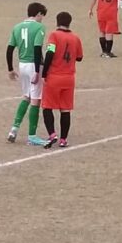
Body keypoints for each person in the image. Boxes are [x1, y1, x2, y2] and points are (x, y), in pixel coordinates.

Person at [40, 11, 83, 149]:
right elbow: (79, 57)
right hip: (69, 78)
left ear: (57, 22)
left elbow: (50, 53)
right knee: (65, 109)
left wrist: (44, 73)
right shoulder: (75, 38)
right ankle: (63, 139)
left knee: (47, 107)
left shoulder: (54, 36)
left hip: (54, 77)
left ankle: (52, 134)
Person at [7, 2, 47, 145]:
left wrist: (10, 69)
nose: (42, 19)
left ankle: (14, 129)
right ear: (38, 14)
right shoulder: (39, 27)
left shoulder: (17, 27)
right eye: (42, 16)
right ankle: (32, 136)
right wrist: (37, 71)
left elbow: (9, 49)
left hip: (22, 65)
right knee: (36, 99)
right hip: (33, 65)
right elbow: (37, 49)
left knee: (26, 97)